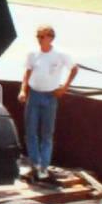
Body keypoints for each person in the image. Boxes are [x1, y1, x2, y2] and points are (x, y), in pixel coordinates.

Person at [18, 23, 77, 183]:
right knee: (30, 132)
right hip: (34, 95)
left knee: (46, 134)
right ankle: (35, 163)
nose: (39, 39)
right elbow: (27, 72)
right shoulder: (33, 54)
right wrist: (23, 90)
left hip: (50, 97)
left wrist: (64, 88)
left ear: (50, 38)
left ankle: (44, 166)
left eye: (42, 36)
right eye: (37, 36)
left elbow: (74, 68)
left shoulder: (60, 54)